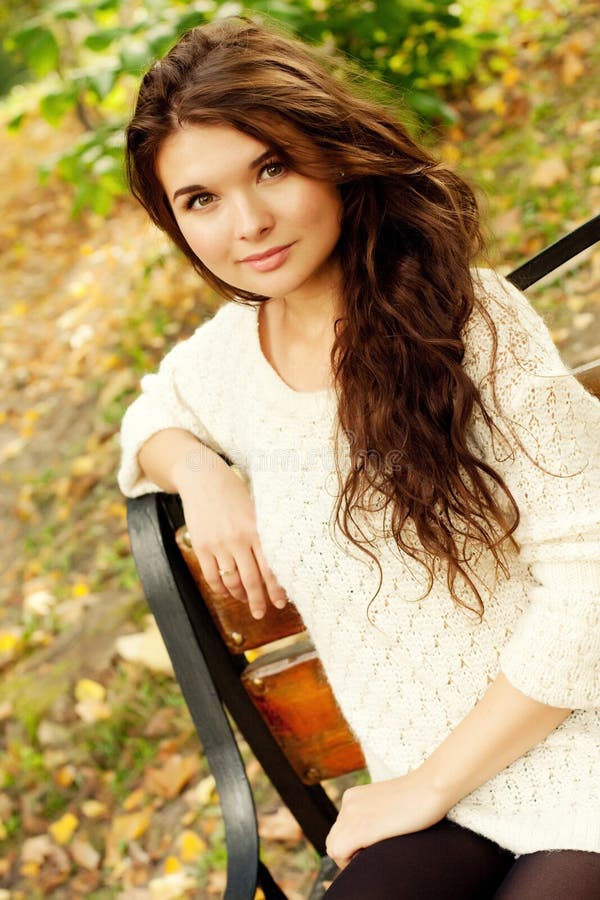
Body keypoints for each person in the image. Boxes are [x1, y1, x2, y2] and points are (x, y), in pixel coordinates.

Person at [118, 17, 600, 899]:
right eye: (201, 200)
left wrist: (428, 785)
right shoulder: (227, 363)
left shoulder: (470, 320)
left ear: (331, 152)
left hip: (573, 745)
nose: (249, 223)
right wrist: (197, 469)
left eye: (273, 167)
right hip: (431, 800)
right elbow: (147, 415)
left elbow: (592, 574)